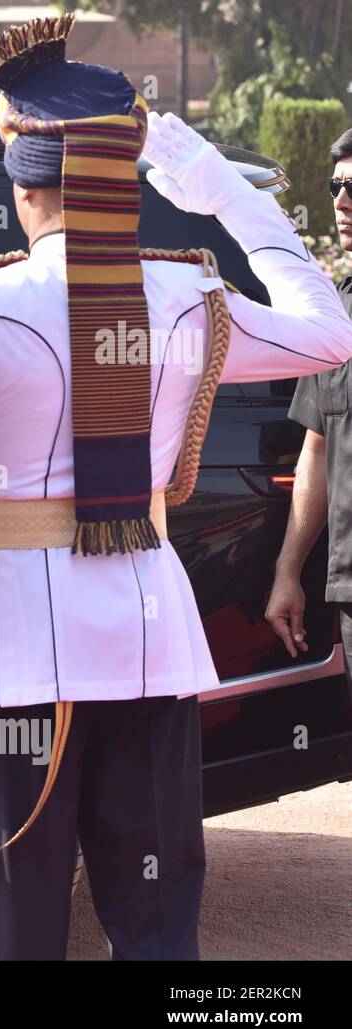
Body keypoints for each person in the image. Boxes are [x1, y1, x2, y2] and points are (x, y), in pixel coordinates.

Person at [0, 13, 352, 960]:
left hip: (19, 662)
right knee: (156, 924)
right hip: (149, 646)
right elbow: (329, 332)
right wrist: (206, 177)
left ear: (23, 191)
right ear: (119, 178)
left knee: (18, 918)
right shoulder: (187, 295)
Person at [265, 129, 352, 668]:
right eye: (336, 186)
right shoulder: (336, 316)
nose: (342, 203)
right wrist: (288, 571)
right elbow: (318, 447)